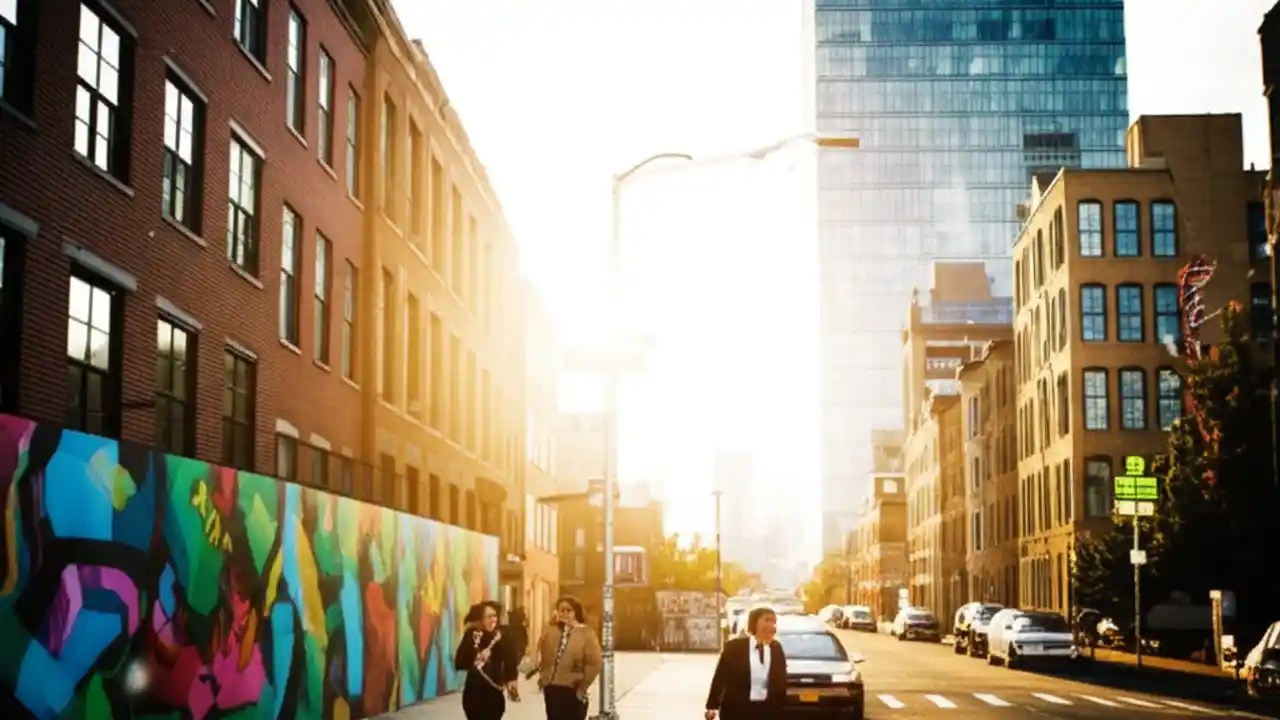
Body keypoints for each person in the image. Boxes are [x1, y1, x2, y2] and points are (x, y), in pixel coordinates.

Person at [704, 607, 788, 720]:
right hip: (737, 711)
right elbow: (721, 677)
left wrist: (780, 707)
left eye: (774, 622)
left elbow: (781, 680)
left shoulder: (776, 648)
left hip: (767, 711)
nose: (771, 626)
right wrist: (712, 706)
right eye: (767, 620)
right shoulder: (734, 647)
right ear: (754, 623)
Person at [534, 595, 602, 720]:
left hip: (572, 688)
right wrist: (543, 678)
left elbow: (594, 663)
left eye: (568, 610)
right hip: (552, 687)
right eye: (561, 610)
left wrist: (583, 687)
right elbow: (540, 651)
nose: (565, 613)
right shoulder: (551, 631)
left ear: (576, 612)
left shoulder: (586, 633)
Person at [455, 601, 520, 720]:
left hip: (494, 691)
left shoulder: (502, 636)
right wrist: (476, 656)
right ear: (480, 619)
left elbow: (510, 659)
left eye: (495, 616)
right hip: (474, 692)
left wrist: (511, 680)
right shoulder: (472, 635)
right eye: (489, 617)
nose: (493, 620)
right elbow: (460, 662)